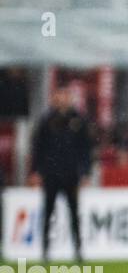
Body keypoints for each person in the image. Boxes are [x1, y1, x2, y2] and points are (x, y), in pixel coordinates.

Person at [30, 87, 93, 263]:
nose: (62, 99)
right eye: (59, 95)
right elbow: (38, 148)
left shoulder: (78, 120)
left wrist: (86, 172)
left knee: (74, 213)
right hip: (50, 174)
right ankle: (45, 251)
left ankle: (79, 251)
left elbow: (85, 149)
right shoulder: (46, 120)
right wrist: (35, 171)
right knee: (48, 213)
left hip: (71, 174)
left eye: (66, 95)